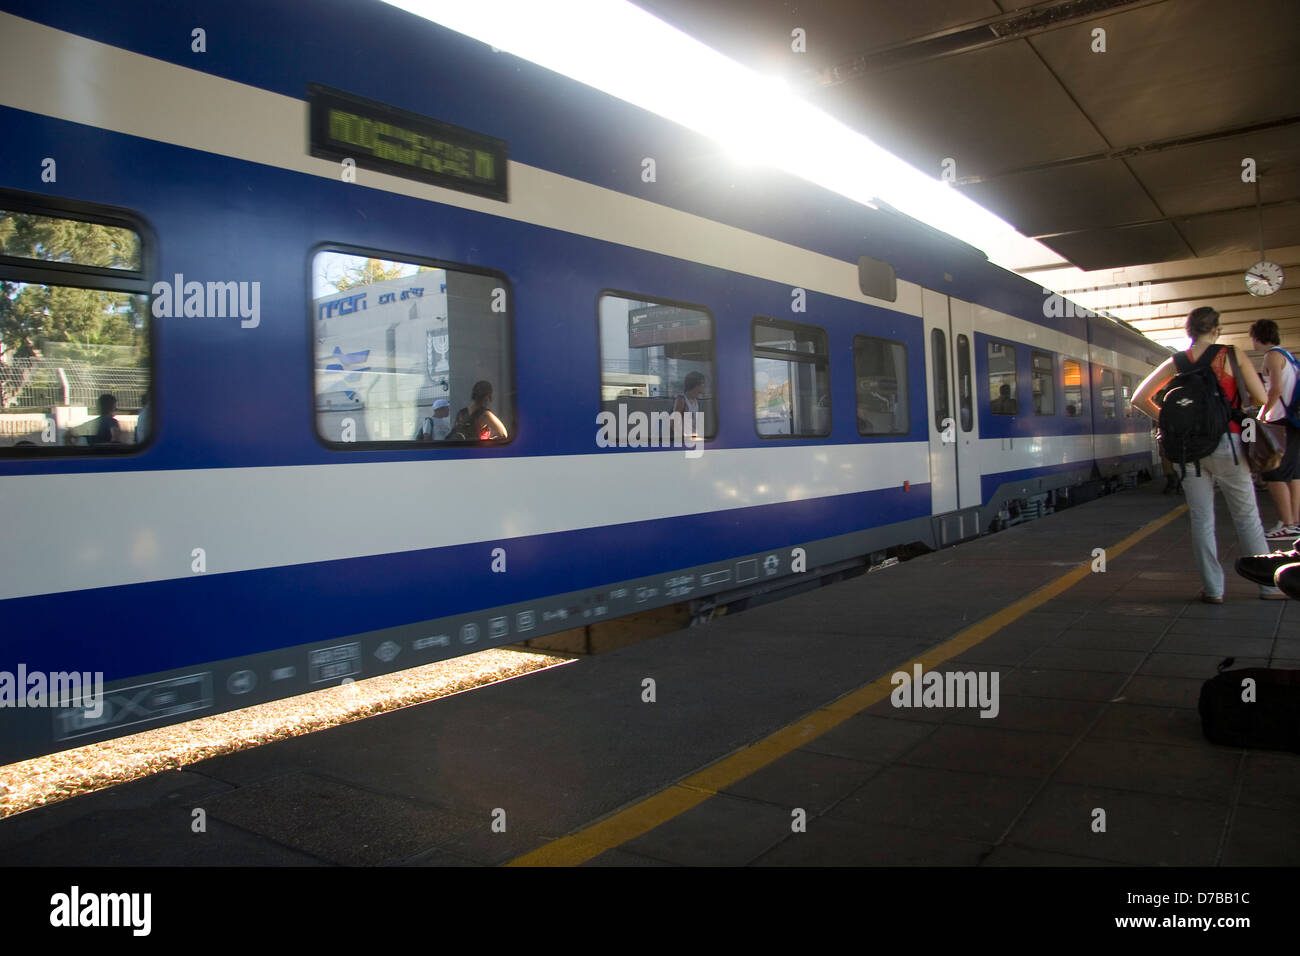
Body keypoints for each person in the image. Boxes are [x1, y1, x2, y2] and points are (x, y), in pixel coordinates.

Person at [1132, 306, 1283, 602]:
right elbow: (1263, 398)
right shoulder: (1230, 353)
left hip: (1188, 450)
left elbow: (1140, 398)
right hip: (1229, 443)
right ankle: (1268, 586)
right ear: (1216, 329)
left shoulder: (1176, 361)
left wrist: (1171, 420)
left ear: (1189, 331)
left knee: (1202, 518)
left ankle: (1214, 590)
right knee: (1246, 516)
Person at [1247, 319, 1300, 541]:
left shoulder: (1272, 356)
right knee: (1294, 474)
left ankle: (1287, 524)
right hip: (1294, 423)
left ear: (1257, 337)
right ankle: (1294, 522)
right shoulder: (1291, 358)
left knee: (1273, 473)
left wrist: (1262, 415)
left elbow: (1275, 389)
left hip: (1280, 422)